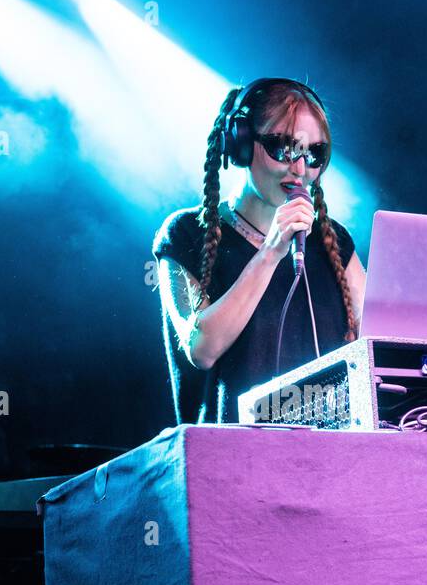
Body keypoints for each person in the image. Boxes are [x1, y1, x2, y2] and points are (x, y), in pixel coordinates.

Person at [152, 77, 367, 424]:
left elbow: (379, 336)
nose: (299, 168)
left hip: (329, 460)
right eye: (283, 147)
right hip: (230, 462)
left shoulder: (333, 241)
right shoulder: (185, 233)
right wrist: (271, 251)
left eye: (314, 153)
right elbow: (201, 348)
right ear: (240, 145)